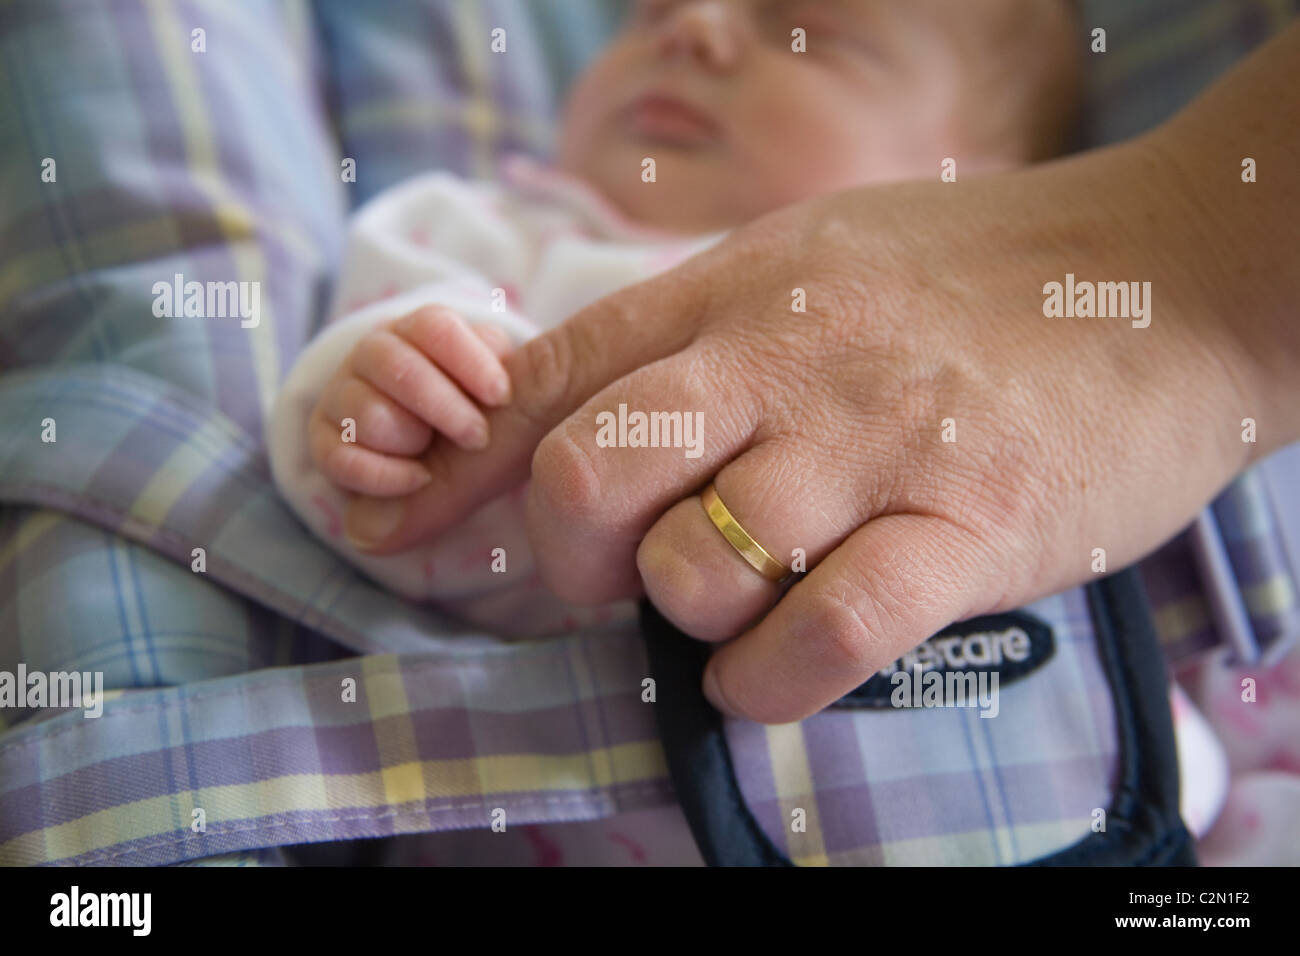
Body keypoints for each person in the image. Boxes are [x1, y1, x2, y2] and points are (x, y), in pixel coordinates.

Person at [331, 9, 1300, 726]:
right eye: (657, 10)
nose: (696, 30)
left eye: (810, 34)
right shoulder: (483, 237)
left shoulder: (1093, 380)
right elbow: (361, 455)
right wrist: (405, 397)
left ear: (992, 185)